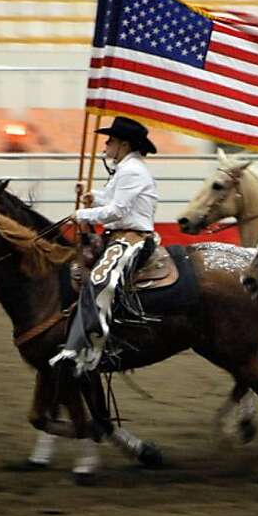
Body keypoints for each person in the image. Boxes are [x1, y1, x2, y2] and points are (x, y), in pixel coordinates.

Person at [51, 116, 159, 374]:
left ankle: (84, 346)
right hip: (120, 235)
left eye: (109, 140)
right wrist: (94, 196)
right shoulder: (127, 169)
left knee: (100, 279)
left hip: (132, 238)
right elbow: (112, 199)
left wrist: (82, 215)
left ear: (123, 144)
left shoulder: (132, 170)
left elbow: (117, 211)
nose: (106, 145)